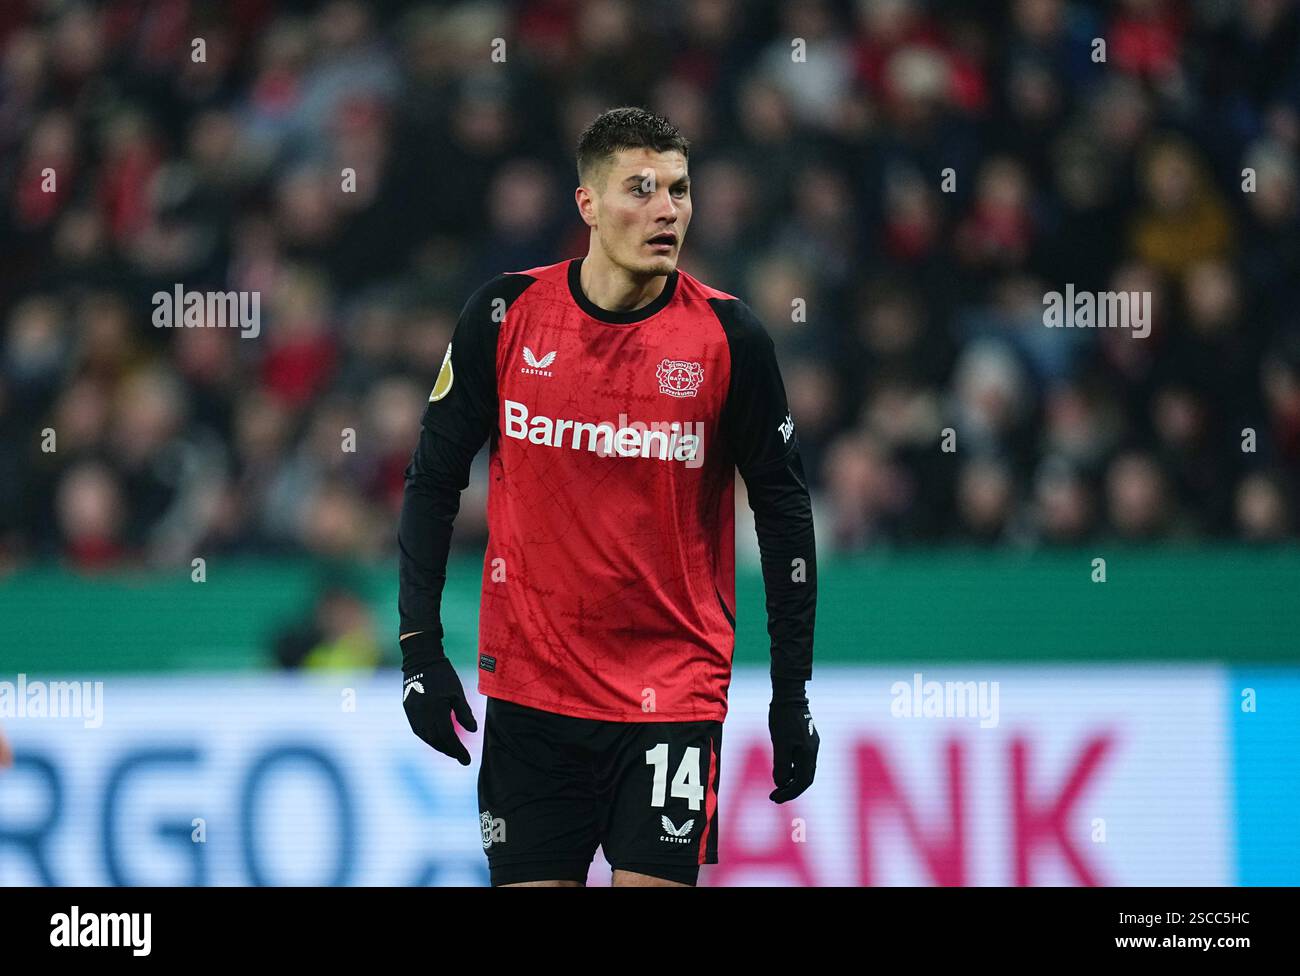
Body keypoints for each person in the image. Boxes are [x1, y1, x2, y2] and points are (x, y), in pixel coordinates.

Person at [398, 107, 818, 887]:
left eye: (680, 191)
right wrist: (419, 649)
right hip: (532, 692)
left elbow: (787, 517)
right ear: (588, 205)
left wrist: (791, 696)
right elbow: (432, 481)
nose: (668, 210)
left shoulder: (731, 340)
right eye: (642, 189)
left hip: (673, 699)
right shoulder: (504, 315)